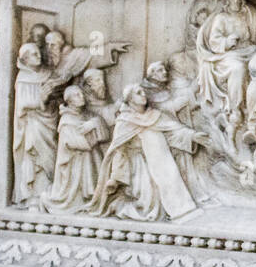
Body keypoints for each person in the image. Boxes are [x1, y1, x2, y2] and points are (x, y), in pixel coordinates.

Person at [88, 83, 208, 221]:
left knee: (165, 186)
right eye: (139, 93)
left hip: (162, 162)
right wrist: (115, 178)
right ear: (130, 99)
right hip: (139, 168)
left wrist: (192, 135)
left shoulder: (155, 115)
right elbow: (119, 152)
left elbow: (174, 133)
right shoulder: (124, 121)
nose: (144, 95)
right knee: (148, 202)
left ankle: (179, 208)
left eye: (143, 92)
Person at [195, 0, 256, 125]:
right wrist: (227, 41)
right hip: (227, 55)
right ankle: (235, 108)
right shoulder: (221, 18)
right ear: (228, 0)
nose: (236, 1)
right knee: (238, 68)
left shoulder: (246, 16)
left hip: (247, 50)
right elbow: (214, 41)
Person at [44, 84, 104, 214]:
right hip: (73, 165)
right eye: (77, 95)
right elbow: (83, 144)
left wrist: (94, 124)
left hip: (88, 160)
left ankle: (90, 199)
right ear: (69, 101)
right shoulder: (67, 121)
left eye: (81, 94)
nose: (82, 97)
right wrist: (94, 129)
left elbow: (104, 135)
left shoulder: (86, 115)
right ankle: (81, 201)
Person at [11, 42, 57, 205]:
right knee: (34, 156)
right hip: (33, 124)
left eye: (38, 53)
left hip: (49, 120)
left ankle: (50, 191)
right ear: (24, 60)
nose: (38, 56)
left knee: (51, 155)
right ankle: (34, 195)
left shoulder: (48, 73)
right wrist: (41, 100)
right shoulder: (23, 79)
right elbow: (22, 105)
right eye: (33, 54)